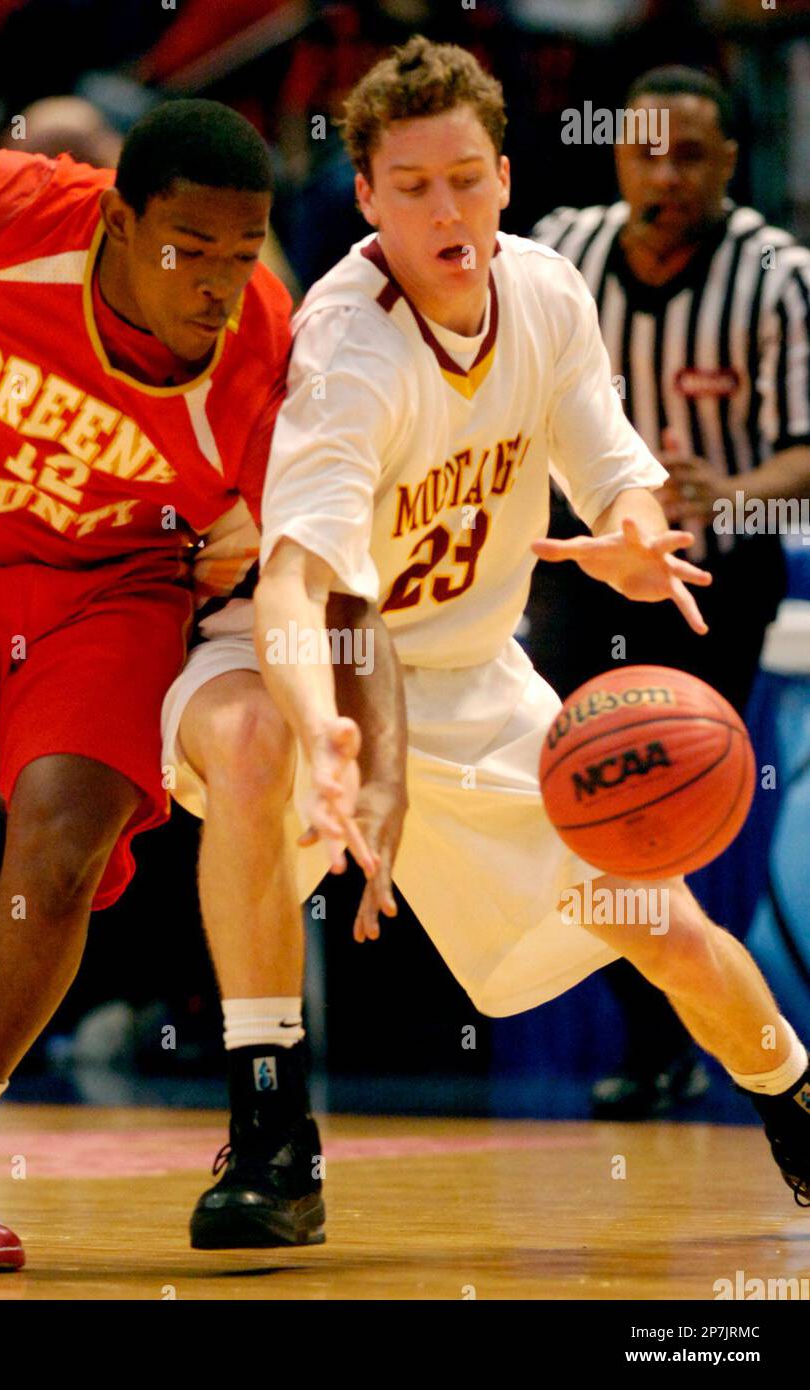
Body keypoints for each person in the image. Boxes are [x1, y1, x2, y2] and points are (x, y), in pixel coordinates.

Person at [160, 35, 810, 1248]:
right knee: (252, 744)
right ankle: (269, 1131)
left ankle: (796, 1100)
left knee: (665, 928)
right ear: (364, 197)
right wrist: (329, 735)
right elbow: (299, 587)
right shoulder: (350, 347)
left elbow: (613, 464)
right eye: (410, 186)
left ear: (505, 178)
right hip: (306, 654)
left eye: (464, 176)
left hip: (466, 671)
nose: (444, 206)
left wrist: (626, 533)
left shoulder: (548, 291)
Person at [0, 98, 295, 1272]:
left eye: (242, 255)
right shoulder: (19, 209)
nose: (216, 285)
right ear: (118, 221)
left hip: (113, 593)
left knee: (64, 843)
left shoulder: (259, 352)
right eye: (189, 248)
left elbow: (302, 548)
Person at [529, 65, 810, 1118]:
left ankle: (718, 1040)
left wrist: (727, 492)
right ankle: (651, 1037)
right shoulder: (560, 252)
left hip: (711, 566)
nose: (668, 175)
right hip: (589, 558)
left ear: (731, 163)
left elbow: (805, 448)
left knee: (678, 800)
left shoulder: (775, 274)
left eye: (692, 154)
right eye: (648, 151)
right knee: (575, 793)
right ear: (617, 156)